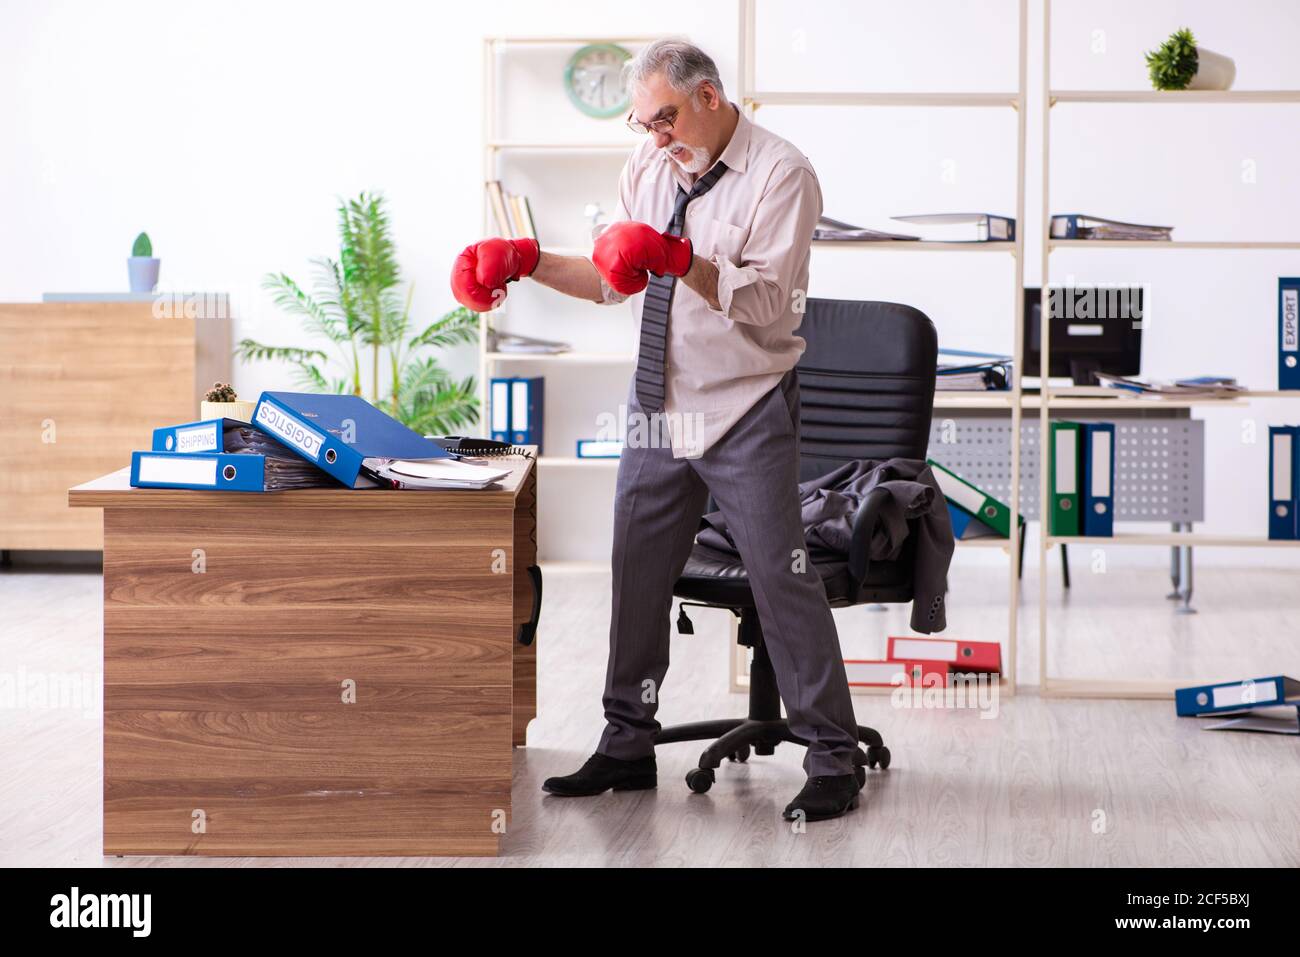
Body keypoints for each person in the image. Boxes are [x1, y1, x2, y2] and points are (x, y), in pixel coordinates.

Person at [451, 38, 864, 822]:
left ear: (708, 96)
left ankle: (835, 755)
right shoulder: (647, 168)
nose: (655, 138)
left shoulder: (782, 174)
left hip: (744, 405)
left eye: (665, 119)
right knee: (636, 571)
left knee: (781, 576)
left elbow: (772, 305)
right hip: (655, 405)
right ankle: (627, 742)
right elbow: (616, 280)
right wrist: (527, 258)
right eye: (643, 124)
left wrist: (680, 258)